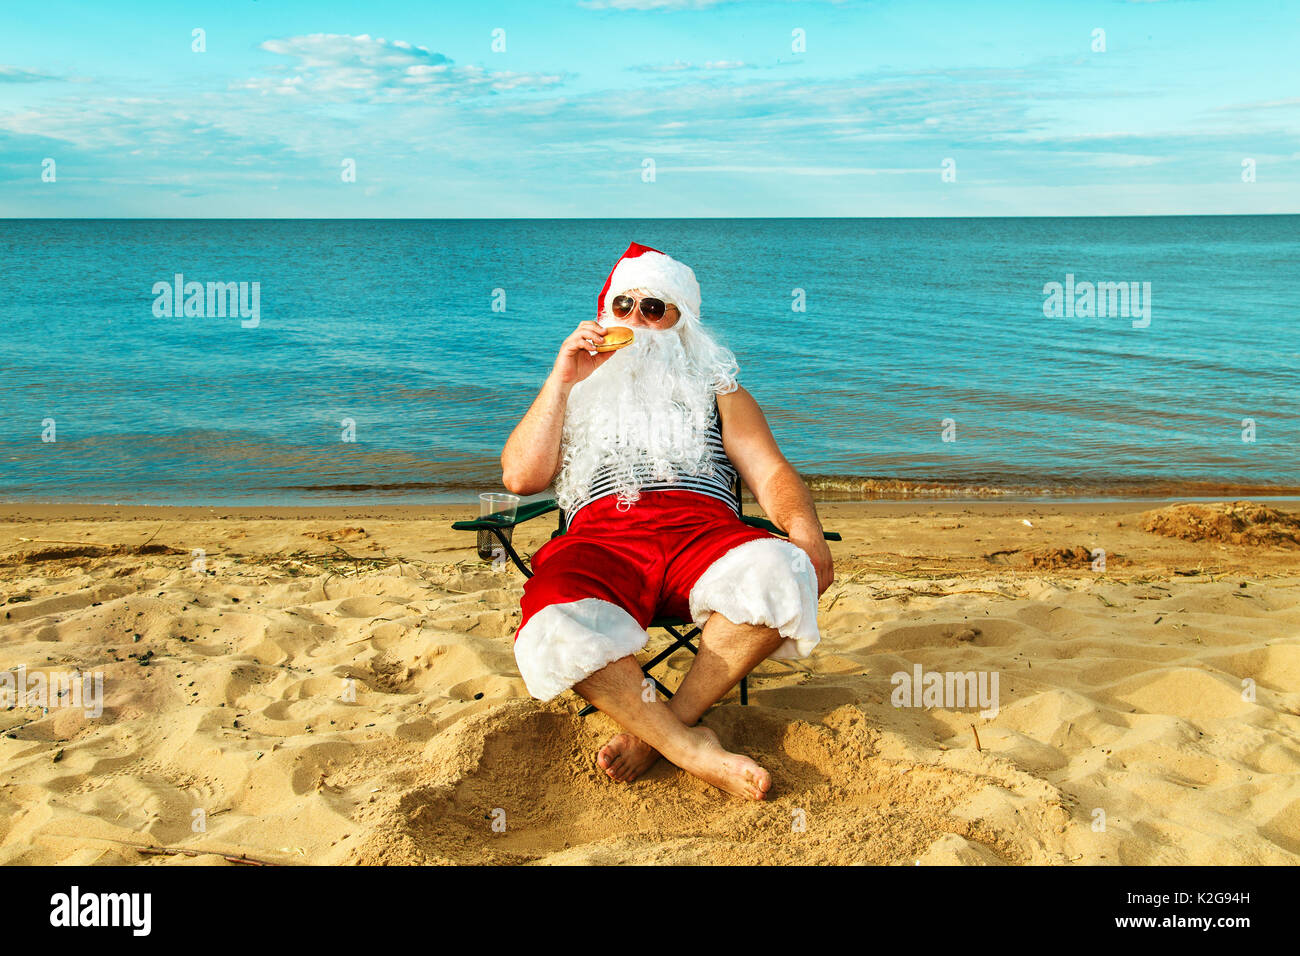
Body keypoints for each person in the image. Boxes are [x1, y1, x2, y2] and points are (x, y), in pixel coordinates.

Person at [501, 242, 833, 800]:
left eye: (654, 308)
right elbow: (519, 478)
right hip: (602, 543)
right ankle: (688, 746)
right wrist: (561, 380)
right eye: (623, 304)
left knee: (782, 569)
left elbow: (771, 470)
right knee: (556, 622)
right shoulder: (575, 390)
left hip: (703, 538)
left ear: (681, 322)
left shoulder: (718, 391)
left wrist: (807, 536)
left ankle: (660, 729)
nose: (635, 319)